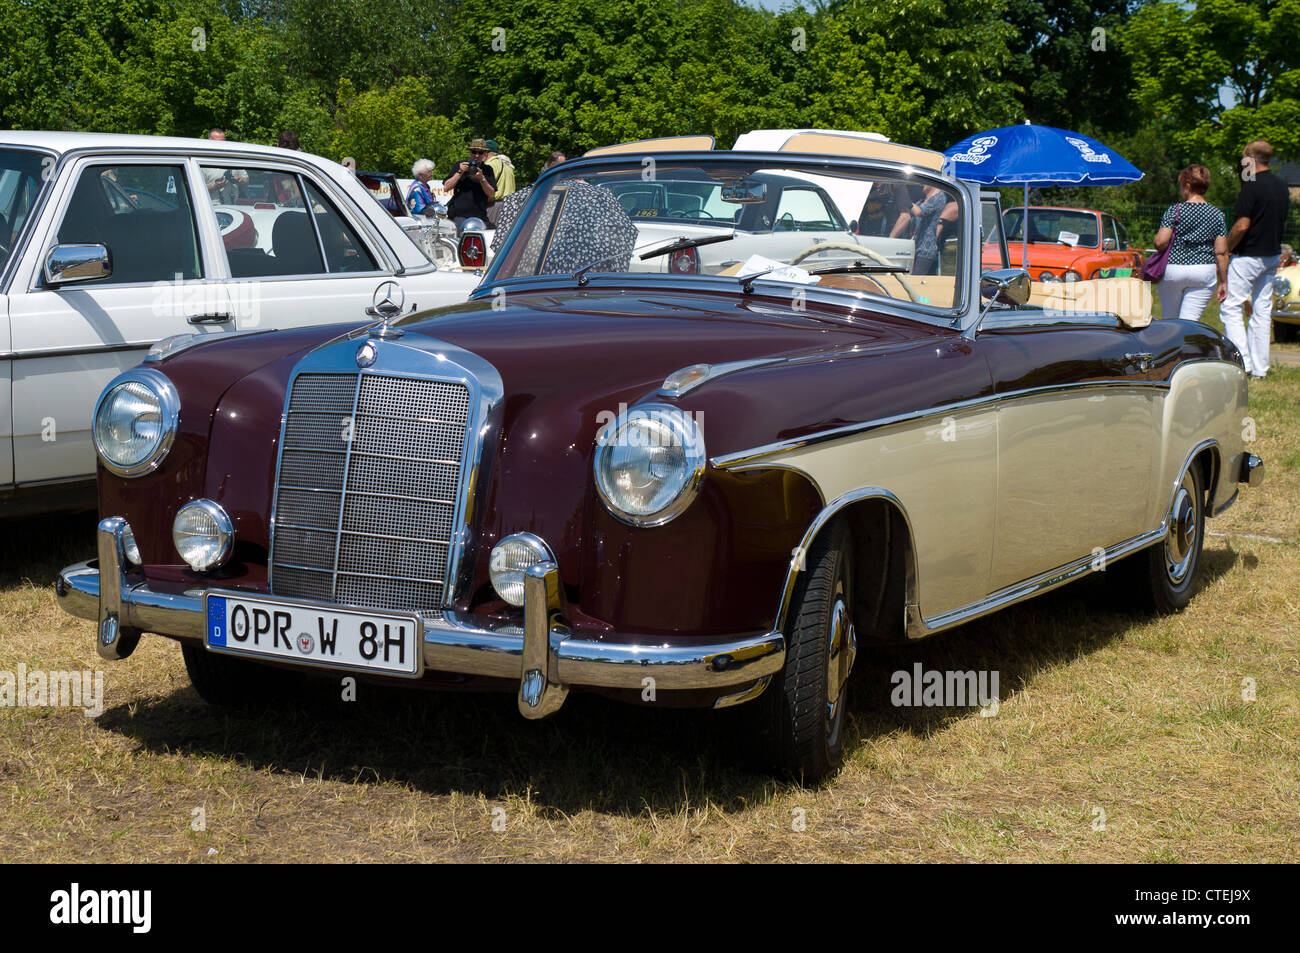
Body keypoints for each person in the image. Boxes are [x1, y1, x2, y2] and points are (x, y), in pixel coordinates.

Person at [1221, 139, 1290, 378]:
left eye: (1243, 157)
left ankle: (1243, 364)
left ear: (1250, 157)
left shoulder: (1251, 186)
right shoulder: (1282, 186)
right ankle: (1261, 369)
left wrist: (1226, 249)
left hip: (1248, 256)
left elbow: (1241, 226)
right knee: (1261, 312)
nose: (1242, 161)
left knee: (1231, 306)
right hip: (1271, 255)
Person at [1152, 164, 1228, 323]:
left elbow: (1160, 242)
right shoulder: (1217, 214)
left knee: (1170, 321)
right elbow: (1221, 252)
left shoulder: (1175, 210)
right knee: (1189, 323)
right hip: (1203, 271)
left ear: (1187, 186)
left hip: (1174, 270)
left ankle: (1170, 346)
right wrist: (1224, 281)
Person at [443, 137, 497, 229]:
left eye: (480, 153)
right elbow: (446, 187)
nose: (476, 155)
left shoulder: (487, 170)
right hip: (458, 215)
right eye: (474, 152)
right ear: (470, 152)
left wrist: (482, 178)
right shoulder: (459, 165)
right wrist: (460, 172)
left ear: (485, 154)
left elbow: (491, 194)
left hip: (479, 217)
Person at [483, 139, 517, 227]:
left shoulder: (489, 166)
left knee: (490, 235)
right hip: (510, 206)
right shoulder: (508, 166)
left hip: (494, 206)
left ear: (486, 152)